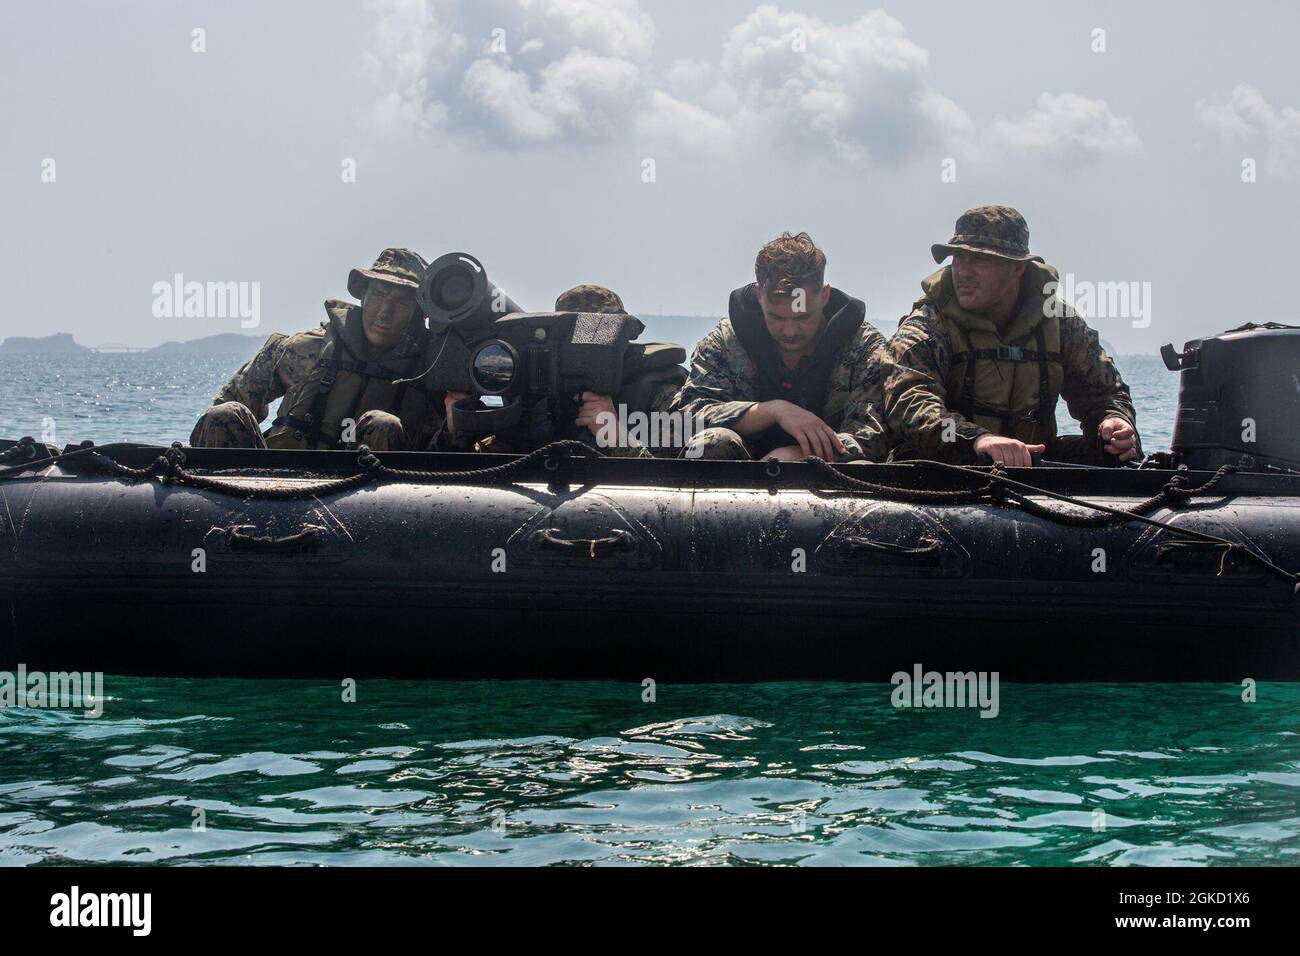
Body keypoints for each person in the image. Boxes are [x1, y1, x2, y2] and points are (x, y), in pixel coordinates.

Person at [885, 206, 1140, 467]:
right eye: (959, 258)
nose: (964, 271)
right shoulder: (928, 324)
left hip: (1032, 462)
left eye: (980, 260)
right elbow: (909, 400)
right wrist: (978, 440)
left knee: (1114, 454)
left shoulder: (1061, 323)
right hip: (949, 463)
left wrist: (1114, 422)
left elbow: (1103, 394)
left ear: (1017, 268)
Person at [670, 232, 892, 462]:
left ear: (824, 296)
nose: (790, 331)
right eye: (777, 317)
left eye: (803, 318)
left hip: (828, 479)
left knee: (861, 465)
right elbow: (689, 416)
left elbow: (871, 437)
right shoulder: (725, 343)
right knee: (713, 442)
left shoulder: (864, 347)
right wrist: (774, 411)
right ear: (759, 297)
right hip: (737, 480)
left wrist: (794, 457)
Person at [190, 248, 442, 451]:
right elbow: (229, 404)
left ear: (418, 311)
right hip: (278, 482)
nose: (385, 312)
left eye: (401, 301)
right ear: (363, 297)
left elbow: (444, 454)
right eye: (378, 295)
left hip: (368, 500)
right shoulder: (304, 348)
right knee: (225, 414)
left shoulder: (432, 371)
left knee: (383, 424)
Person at [439, 284, 686, 457]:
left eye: (599, 339)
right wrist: (455, 431)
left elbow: (677, 489)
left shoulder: (653, 391)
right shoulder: (530, 389)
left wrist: (617, 438)